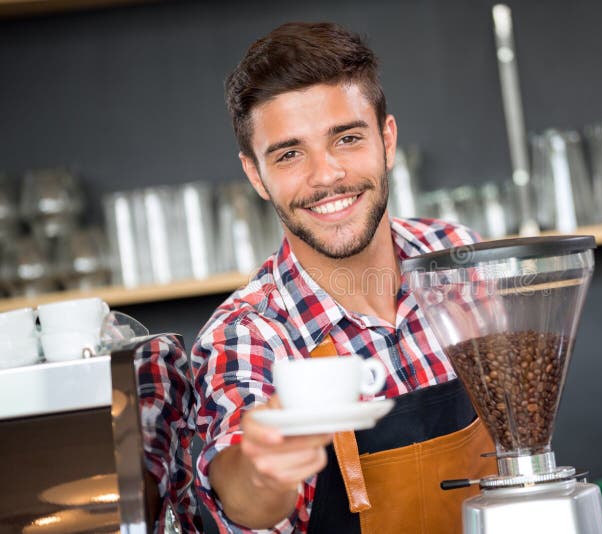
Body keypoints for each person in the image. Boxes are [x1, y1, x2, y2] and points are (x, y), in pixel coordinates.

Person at [192, 21, 493, 533]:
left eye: (347, 138)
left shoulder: (456, 256)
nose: (326, 175)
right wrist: (263, 470)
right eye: (289, 154)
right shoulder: (247, 335)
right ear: (255, 175)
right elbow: (243, 495)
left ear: (387, 140)